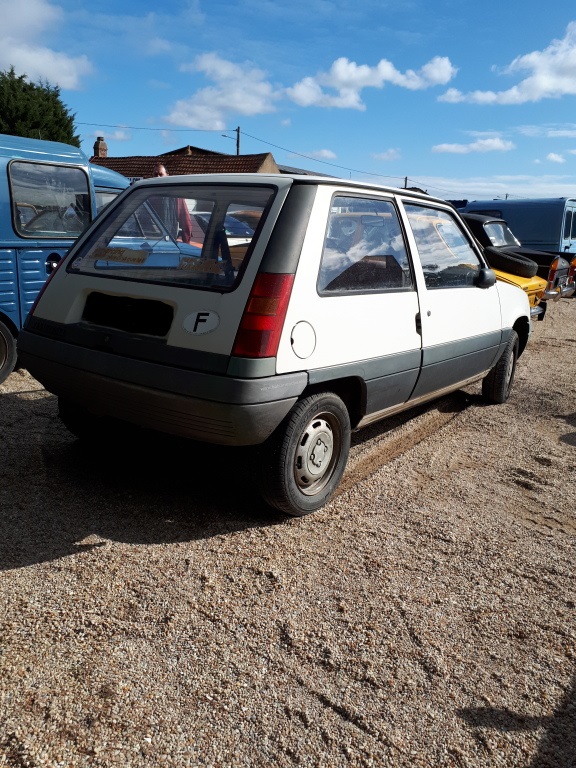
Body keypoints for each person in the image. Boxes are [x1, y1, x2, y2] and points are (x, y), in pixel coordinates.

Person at [150, 163, 193, 244]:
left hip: (169, 243)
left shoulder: (176, 197)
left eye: (160, 174)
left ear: (167, 175)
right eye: (155, 174)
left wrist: (186, 245)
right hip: (149, 241)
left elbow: (186, 223)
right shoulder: (147, 196)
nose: (158, 177)